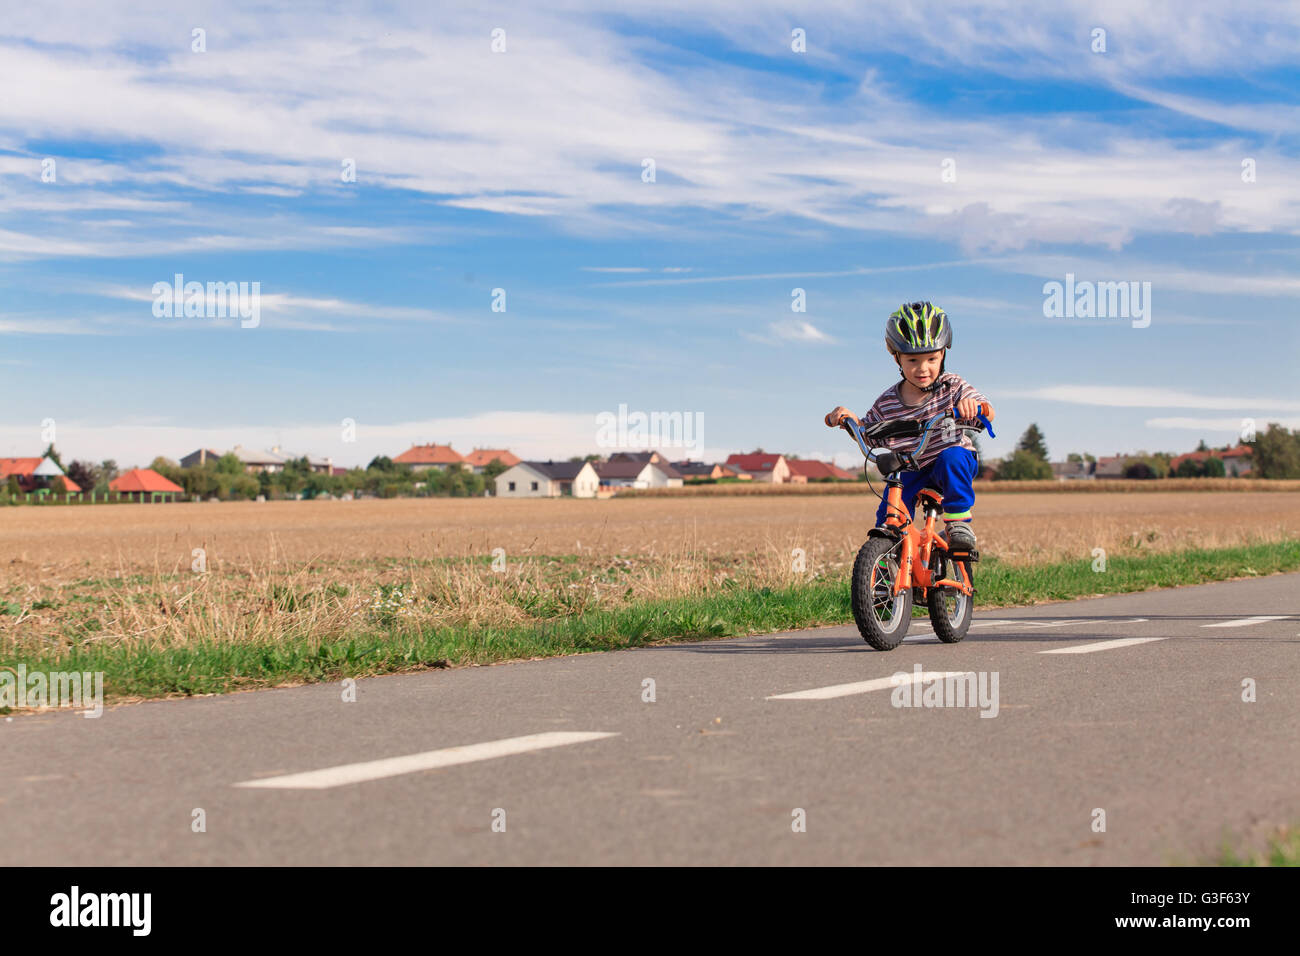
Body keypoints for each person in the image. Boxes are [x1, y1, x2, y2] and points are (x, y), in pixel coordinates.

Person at [825, 301, 995, 551]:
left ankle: (958, 523)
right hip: (911, 468)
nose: (923, 368)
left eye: (931, 358)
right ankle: (885, 564)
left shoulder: (953, 387)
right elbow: (869, 433)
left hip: (948, 463)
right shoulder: (888, 402)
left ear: (943, 354)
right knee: (889, 516)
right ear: (896, 357)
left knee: (953, 456)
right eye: (913, 359)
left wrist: (974, 406)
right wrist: (848, 419)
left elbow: (987, 411)